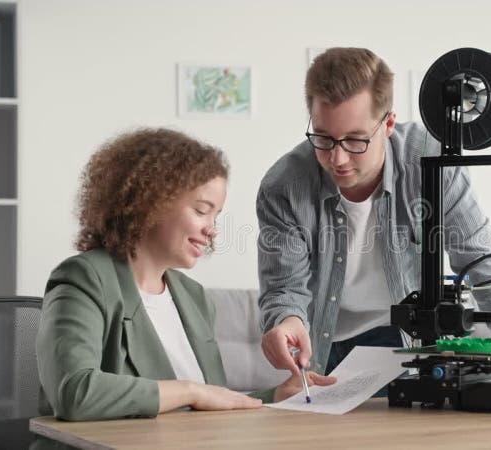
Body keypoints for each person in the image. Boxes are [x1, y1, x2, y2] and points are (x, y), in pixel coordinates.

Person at [257, 47, 491, 377]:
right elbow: (285, 289)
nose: (337, 159)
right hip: (328, 344)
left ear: (388, 124)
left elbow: (480, 262)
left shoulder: (432, 164)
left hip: (413, 344)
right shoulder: (284, 186)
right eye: (323, 138)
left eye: (355, 141)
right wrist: (286, 321)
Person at [36, 128, 334, 421]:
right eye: (202, 210)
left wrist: (275, 397)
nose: (212, 229)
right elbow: (74, 392)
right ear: (151, 200)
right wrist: (192, 391)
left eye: (216, 216)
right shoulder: (85, 278)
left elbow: (206, 403)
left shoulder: (192, 297)